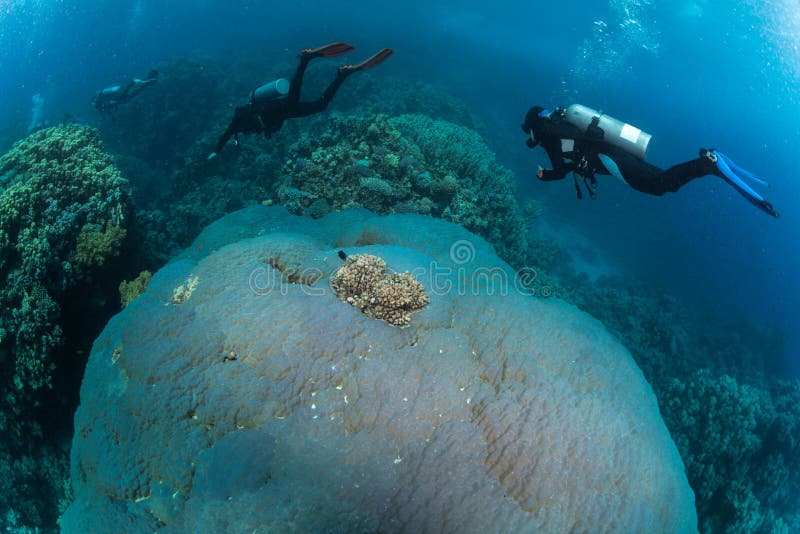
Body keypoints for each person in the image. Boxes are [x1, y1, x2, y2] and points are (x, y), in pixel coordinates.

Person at [521, 105, 779, 218]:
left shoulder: (549, 136)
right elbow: (573, 158)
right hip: (613, 153)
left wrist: (544, 176)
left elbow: (560, 169)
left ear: (533, 127)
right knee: (663, 181)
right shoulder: (558, 128)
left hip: (608, 157)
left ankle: (708, 164)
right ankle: (711, 163)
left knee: (658, 186)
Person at [209, 42, 393, 158]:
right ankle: (342, 74)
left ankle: (305, 59)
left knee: (298, 92)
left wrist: (216, 151)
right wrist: (267, 130)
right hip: (285, 113)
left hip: (279, 109)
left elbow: (224, 137)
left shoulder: (236, 123)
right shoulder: (244, 121)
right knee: (321, 105)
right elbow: (268, 125)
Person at [92, 69, 159, 114]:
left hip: (118, 97)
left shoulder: (99, 102)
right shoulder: (100, 104)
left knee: (129, 92)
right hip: (120, 98)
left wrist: (112, 104)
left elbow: (110, 103)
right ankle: (147, 82)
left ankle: (135, 82)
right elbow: (110, 105)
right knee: (134, 93)